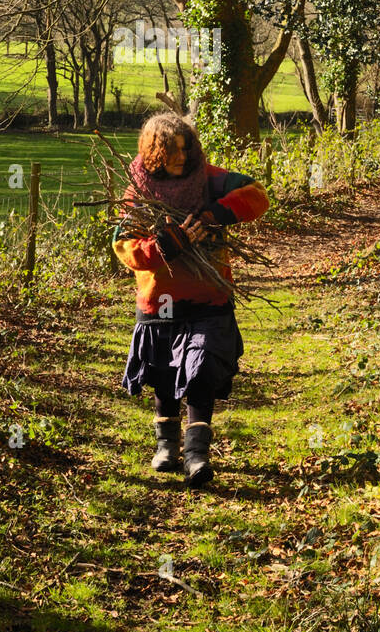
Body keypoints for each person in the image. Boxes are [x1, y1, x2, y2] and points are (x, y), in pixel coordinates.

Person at [113, 112, 269, 487]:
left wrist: (216, 214)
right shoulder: (140, 192)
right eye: (172, 151)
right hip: (160, 303)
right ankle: (166, 447)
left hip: (208, 301)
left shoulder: (212, 181)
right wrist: (162, 246)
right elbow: (124, 247)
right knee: (165, 377)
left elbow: (257, 196)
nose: (181, 157)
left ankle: (197, 455)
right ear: (154, 152)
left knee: (200, 373)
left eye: (186, 149)